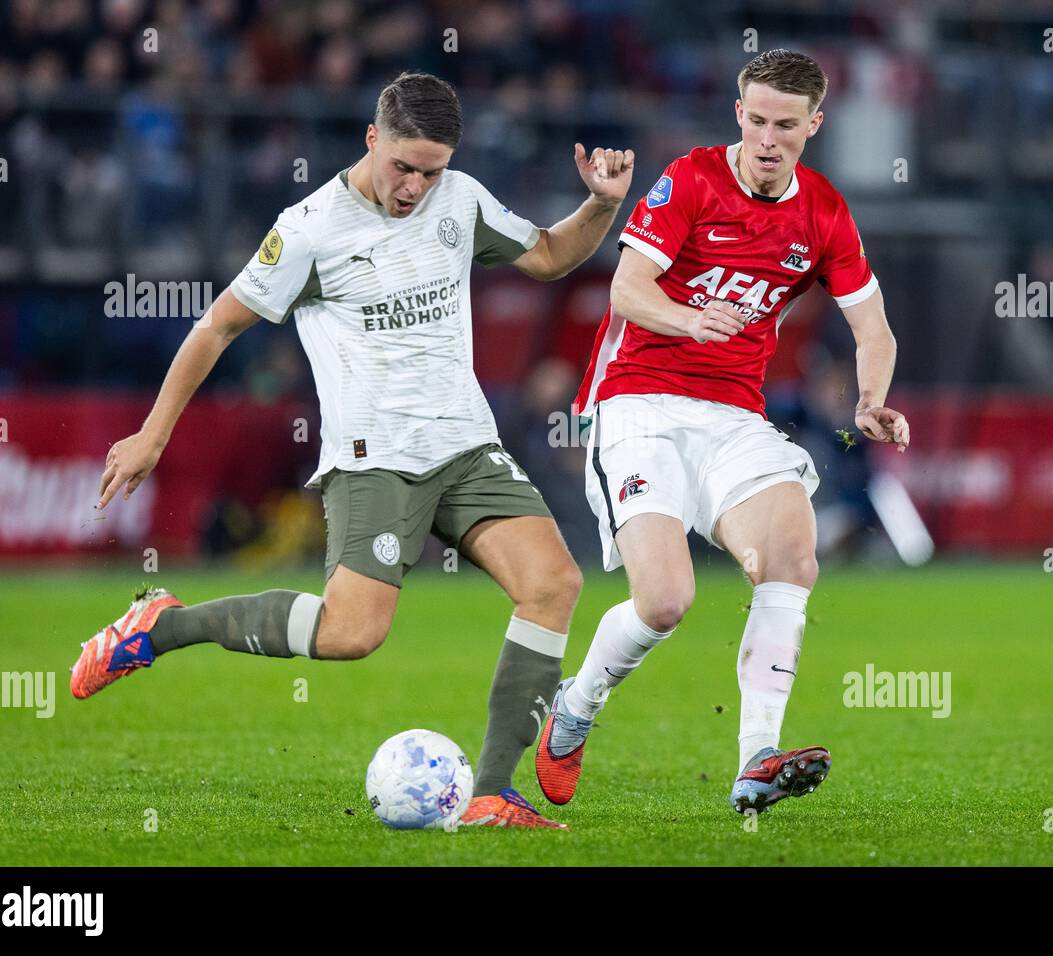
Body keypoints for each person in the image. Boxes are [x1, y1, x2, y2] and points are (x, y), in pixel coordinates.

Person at [72, 71, 635, 829]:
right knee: (350, 635)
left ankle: (493, 794)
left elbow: (547, 255)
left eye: (430, 170)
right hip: (375, 461)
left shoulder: (460, 200)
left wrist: (600, 204)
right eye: (403, 166)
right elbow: (216, 327)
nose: (414, 187)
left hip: (466, 447)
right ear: (373, 139)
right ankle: (160, 626)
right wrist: (153, 432)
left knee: (553, 582)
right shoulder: (309, 228)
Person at [536, 50, 909, 815]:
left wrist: (871, 398)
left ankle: (756, 758)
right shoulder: (693, 179)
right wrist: (690, 319)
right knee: (667, 600)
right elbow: (628, 289)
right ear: (739, 114)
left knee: (790, 556)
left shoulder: (826, 212)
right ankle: (573, 710)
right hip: (638, 404)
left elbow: (873, 327)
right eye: (757, 120)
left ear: (815, 124)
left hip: (735, 418)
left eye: (787, 126)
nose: (769, 139)